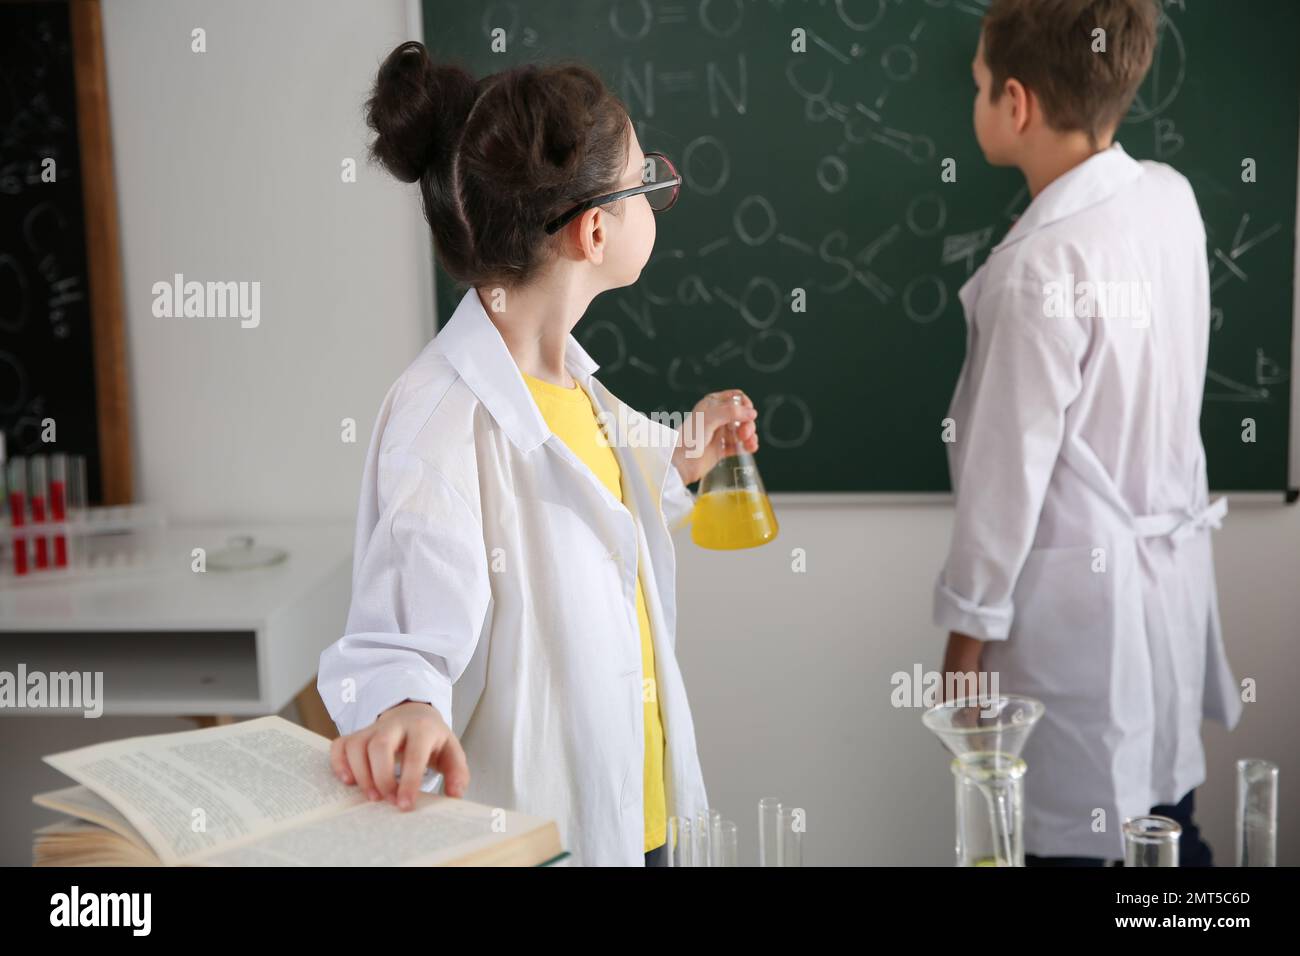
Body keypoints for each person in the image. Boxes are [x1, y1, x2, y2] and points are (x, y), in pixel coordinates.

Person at [317, 42, 759, 867]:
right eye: (647, 183)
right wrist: (407, 702)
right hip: (541, 839)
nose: (659, 195)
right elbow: (397, 639)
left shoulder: (574, 387)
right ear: (595, 230)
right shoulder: (443, 417)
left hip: (639, 817)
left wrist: (684, 459)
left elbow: (600, 510)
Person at [934, 0, 1241, 865]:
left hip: (1078, 622)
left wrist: (963, 648)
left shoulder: (1036, 267)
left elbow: (1003, 486)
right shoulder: (1170, 200)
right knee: (1166, 835)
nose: (978, 97)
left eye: (980, 85)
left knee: (1079, 844)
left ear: (1018, 105)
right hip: (1162, 589)